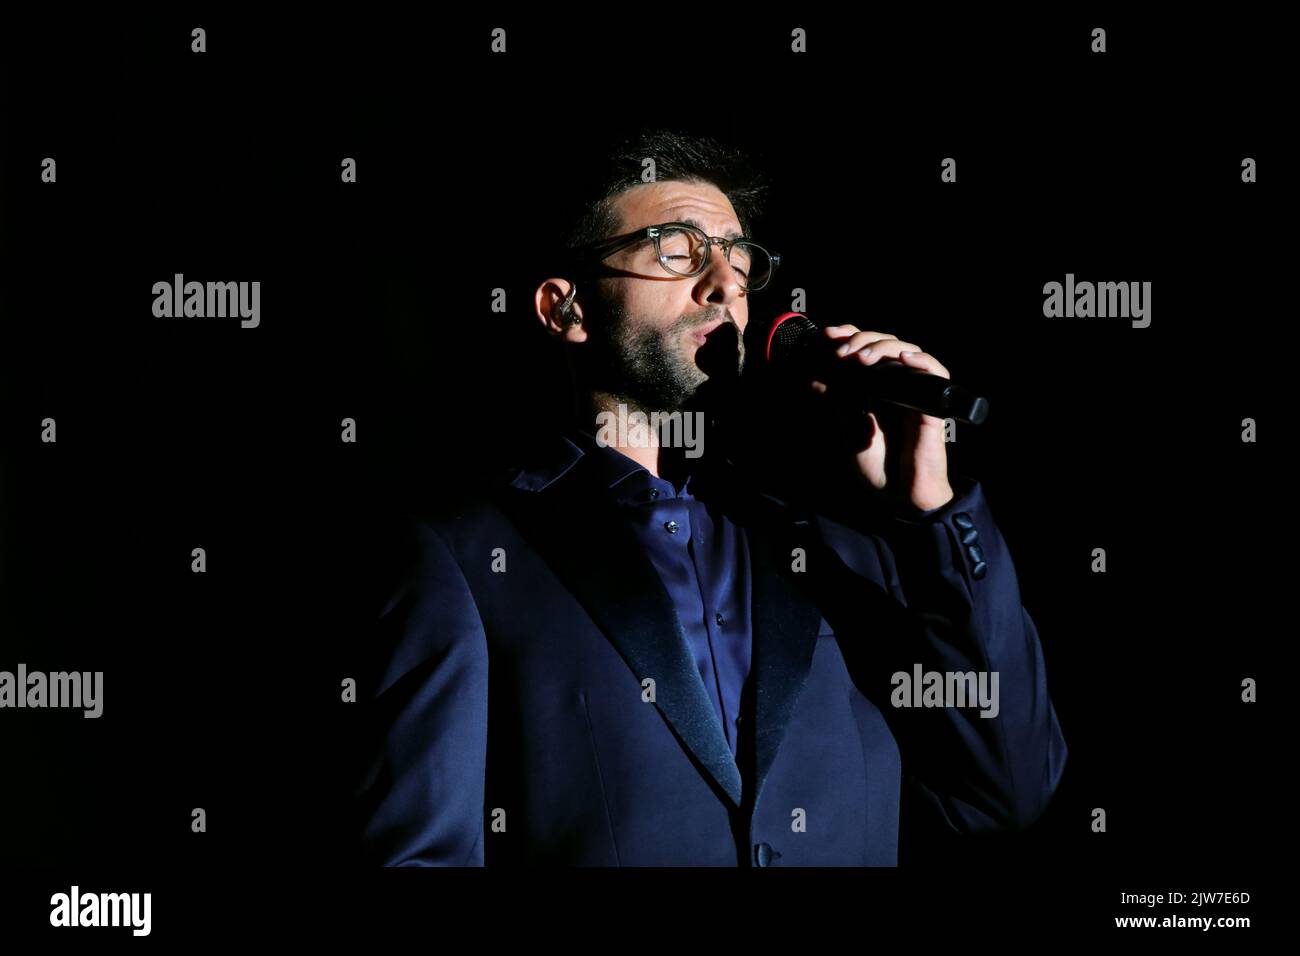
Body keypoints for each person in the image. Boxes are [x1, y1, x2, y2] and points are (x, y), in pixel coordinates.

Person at [353, 129, 1067, 866]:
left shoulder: (841, 540)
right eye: (676, 247)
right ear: (565, 309)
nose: (725, 282)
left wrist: (931, 514)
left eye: (737, 258)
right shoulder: (467, 555)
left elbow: (1007, 791)